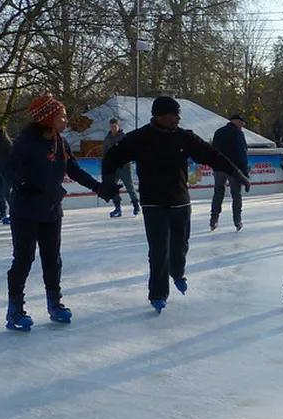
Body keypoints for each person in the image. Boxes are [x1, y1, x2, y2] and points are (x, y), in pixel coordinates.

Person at [100, 96, 249, 314]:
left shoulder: (184, 137)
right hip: (153, 203)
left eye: (178, 114)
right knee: (159, 250)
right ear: (159, 115)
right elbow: (112, 157)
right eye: (173, 114)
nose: (177, 118)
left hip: (179, 200)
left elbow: (211, 155)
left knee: (180, 246)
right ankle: (158, 293)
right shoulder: (140, 138)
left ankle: (178, 272)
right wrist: (108, 182)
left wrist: (236, 172)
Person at [5, 94, 105, 330]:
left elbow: (75, 171)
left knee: (52, 259)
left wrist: (100, 188)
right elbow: (9, 170)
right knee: (24, 259)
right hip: (26, 210)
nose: (65, 120)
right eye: (61, 116)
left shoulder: (60, 142)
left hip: (51, 210)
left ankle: (55, 304)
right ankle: (15, 310)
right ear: (48, 118)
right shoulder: (25, 142)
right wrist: (23, 185)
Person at [210, 113, 250, 231]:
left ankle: (214, 220)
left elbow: (212, 150)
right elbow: (242, 153)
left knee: (218, 193)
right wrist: (244, 172)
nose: (242, 125)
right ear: (236, 121)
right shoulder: (238, 133)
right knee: (236, 195)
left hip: (219, 168)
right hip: (234, 169)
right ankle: (237, 220)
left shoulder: (218, 132)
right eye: (242, 123)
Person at [102, 117, 140, 218]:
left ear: (119, 126)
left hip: (124, 166)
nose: (113, 128)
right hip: (113, 167)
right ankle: (117, 208)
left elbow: (130, 150)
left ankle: (136, 205)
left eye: (115, 126)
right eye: (111, 127)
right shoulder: (107, 139)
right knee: (112, 187)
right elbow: (105, 153)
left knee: (129, 186)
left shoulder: (124, 137)